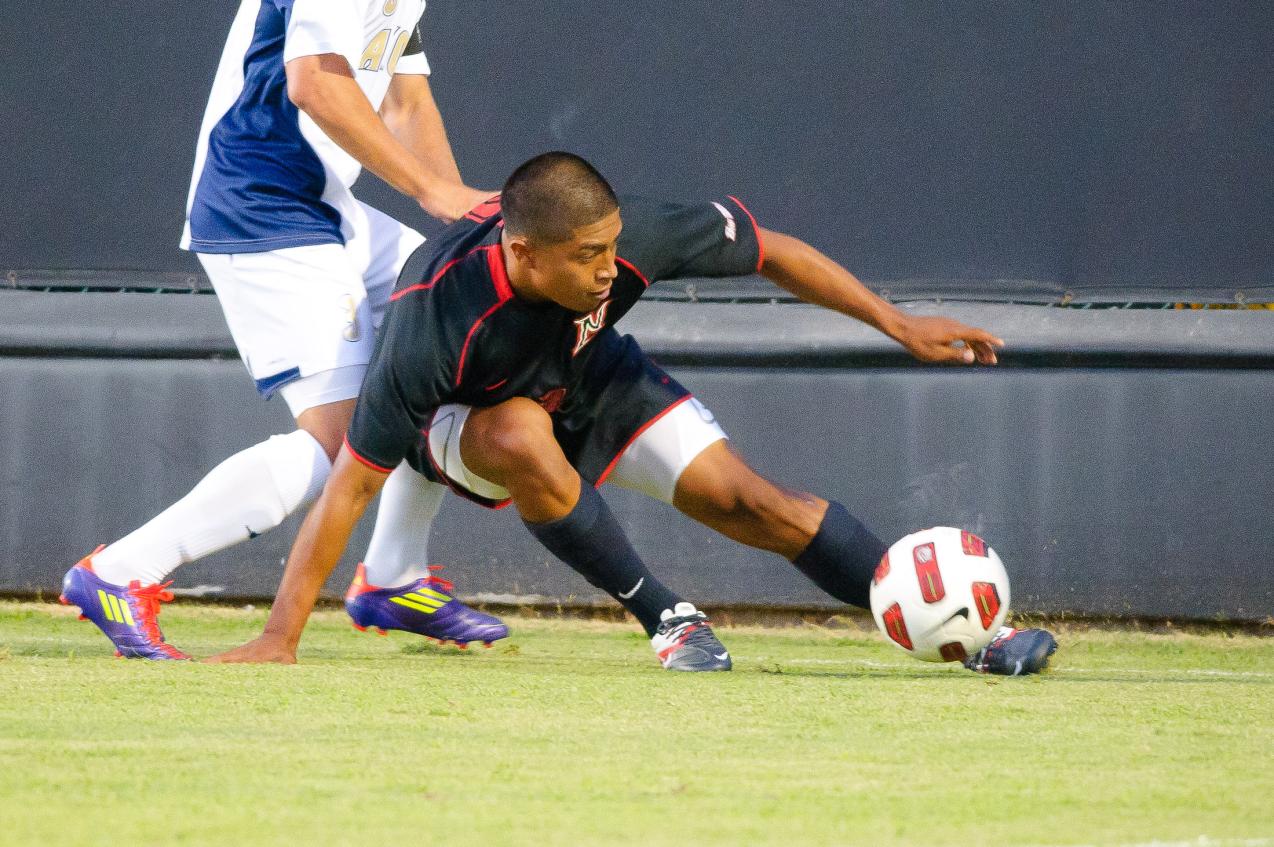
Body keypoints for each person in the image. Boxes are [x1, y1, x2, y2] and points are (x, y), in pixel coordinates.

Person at [208, 151, 1058, 675]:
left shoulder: (619, 242)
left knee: (754, 501)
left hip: (590, 375)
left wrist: (898, 324)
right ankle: (668, 617)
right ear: (522, 253)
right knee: (520, 431)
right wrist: (281, 635)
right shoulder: (434, 319)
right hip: (473, 423)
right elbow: (351, 487)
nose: (611, 269)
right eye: (589, 256)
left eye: (613, 246)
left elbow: (773, 252)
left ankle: (965, 633)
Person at [59, 0, 508, 659]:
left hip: (328, 205)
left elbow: (406, 100)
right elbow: (314, 82)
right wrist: (432, 191)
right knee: (341, 442)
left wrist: (458, 214)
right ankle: (120, 571)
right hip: (258, 204)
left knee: (454, 331)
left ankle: (393, 577)